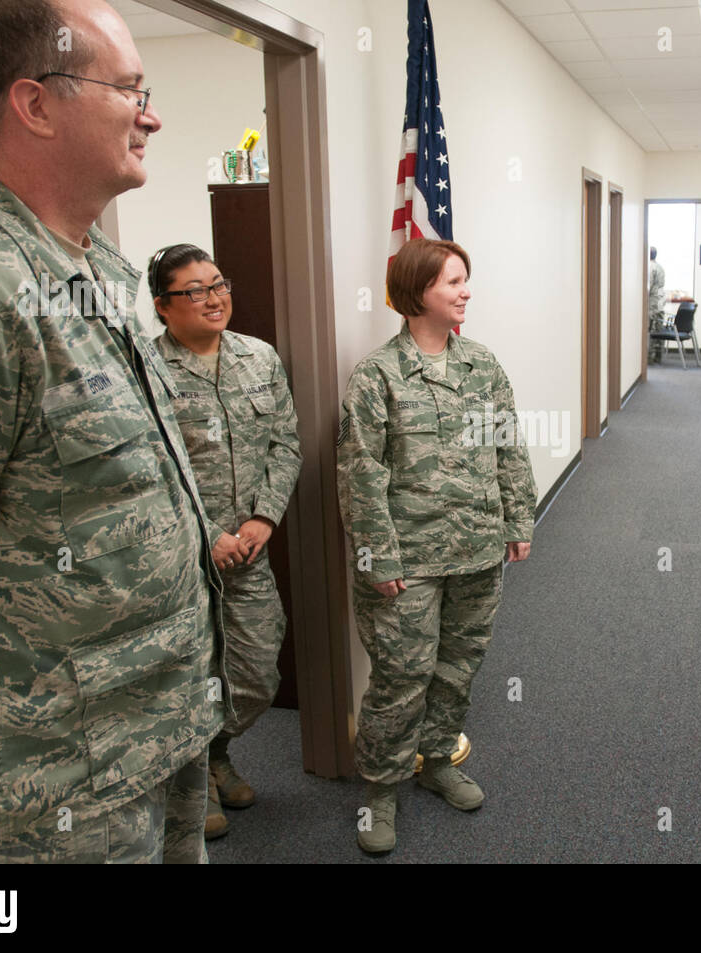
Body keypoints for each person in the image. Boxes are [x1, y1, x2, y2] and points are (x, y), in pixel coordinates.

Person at [0, 0, 228, 862]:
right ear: (35, 104)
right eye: (129, 88)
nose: (152, 113)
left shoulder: (87, 264)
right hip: (39, 787)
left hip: (150, 732)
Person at [337, 238, 537, 854]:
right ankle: (380, 787)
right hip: (409, 561)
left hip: (476, 551)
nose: (465, 291)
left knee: (457, 667)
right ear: (418, 290)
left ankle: (438, 758)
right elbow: (359, 472)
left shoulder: (483, 365)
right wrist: (378, 556)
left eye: (465, 280)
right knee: (401, 674)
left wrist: (519, 521)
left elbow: (508, 446)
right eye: (453, 281)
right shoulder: (377, 375)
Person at [149, 244, 302, 840]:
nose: (214, 299)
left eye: (219, 284)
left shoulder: (258, 358)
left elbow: (285, 444)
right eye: (195, 290)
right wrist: (206, 535)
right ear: (164, 307)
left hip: (247, 551)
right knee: (185, 674)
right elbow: (150, 468)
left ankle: (214, 752)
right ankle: (197, 780)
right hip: (180, 556)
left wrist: (263, 520)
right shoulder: (149, 368)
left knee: (258, 672)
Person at [648, 246, 666, 363]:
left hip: (652, 301)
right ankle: (658, 356)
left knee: (649, 327)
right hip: (660, 300)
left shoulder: (650, 267)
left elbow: (648, 286)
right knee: (658, 327)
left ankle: (649, 357)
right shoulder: (660, 267)